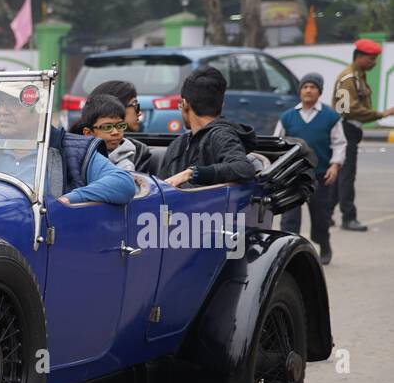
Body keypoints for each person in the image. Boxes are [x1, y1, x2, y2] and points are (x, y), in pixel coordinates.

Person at [0, 86, 136, 205]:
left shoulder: (72, 149)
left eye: (14, 104)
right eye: (0, 103)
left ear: (40, 111)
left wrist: (69, 200)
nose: (2, 111)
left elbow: (123, 183)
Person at [274, 72, 344, 264]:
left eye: (313, 87)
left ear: (319, 92)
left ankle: (324, 243)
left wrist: (335, 165)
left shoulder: (330, 117)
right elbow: (277, 144)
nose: (308, 90)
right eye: (305, 87)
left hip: (320, 176)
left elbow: (339, 144)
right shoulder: (288, 117)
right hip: (292, 177)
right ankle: (287, 254)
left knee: (321, 218)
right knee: (289, 219)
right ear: (300, 91)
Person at [331, 39, 394, 231]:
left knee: (341, 174)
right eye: (371, 59)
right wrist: (380, 114)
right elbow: (346, 109)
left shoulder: (359, 76)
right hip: (345, 129)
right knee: (347, 175)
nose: (373, 63)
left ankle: (325, 213)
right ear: (359, 57)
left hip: (352, 129)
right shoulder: (348, 78)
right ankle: (348, 218)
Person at [158, 66, 257, 187]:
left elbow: (244, 168)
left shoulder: (221, 135)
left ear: (184, 105)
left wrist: (191, 173)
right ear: (222, 104)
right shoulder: (178, 144)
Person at [84, 78, 152, 170]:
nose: (139, 112)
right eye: (134, 104)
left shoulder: (138, 152)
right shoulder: (75, 151)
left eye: (120, 126)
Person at [78, 93, 140, 171]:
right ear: (88, 133)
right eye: (107, 127)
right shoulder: (76, 157)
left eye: (120, 126)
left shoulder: (125, 166)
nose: (115, 132)